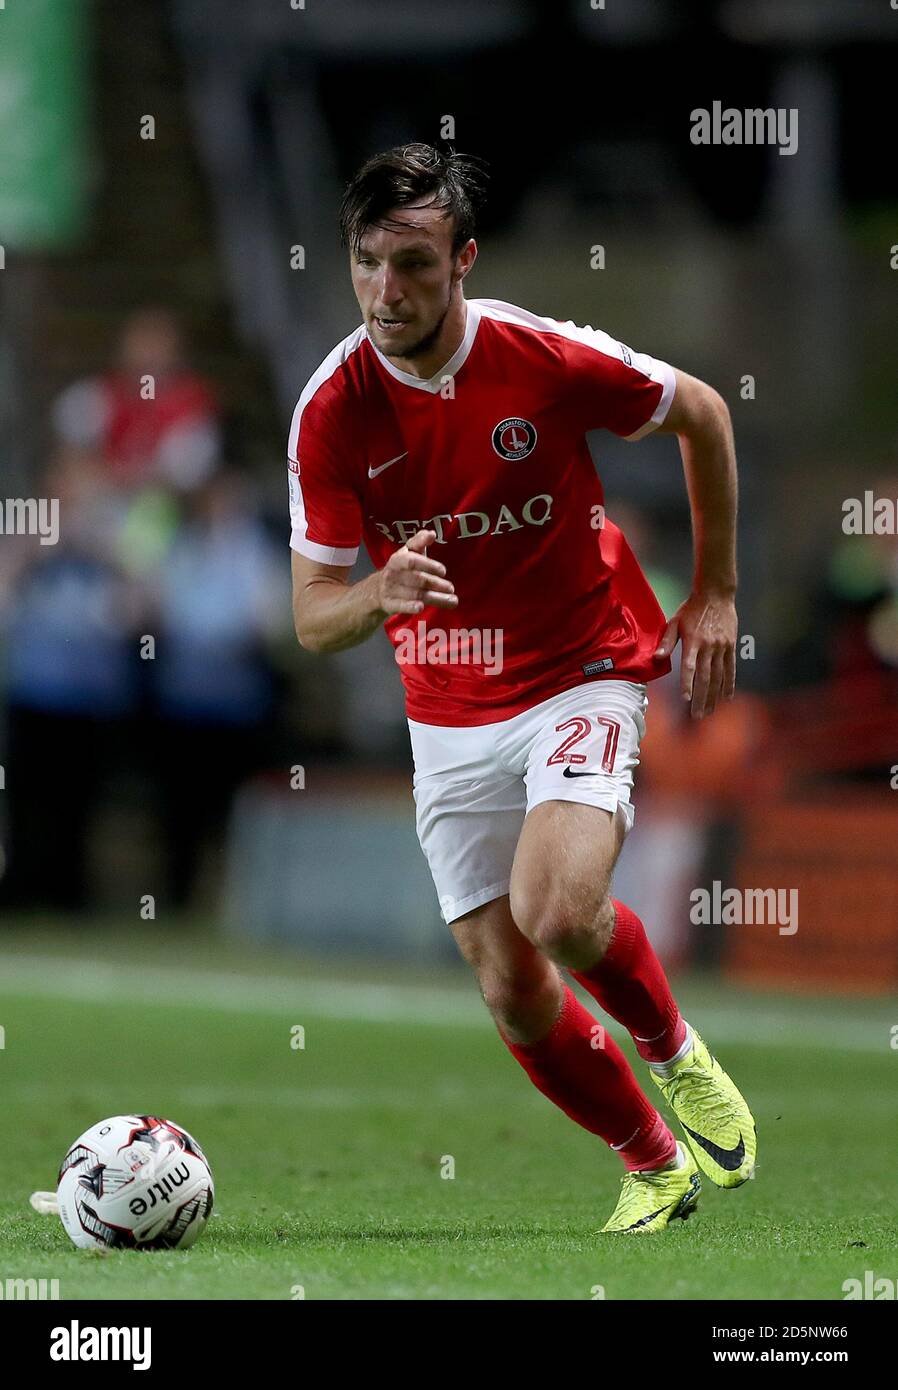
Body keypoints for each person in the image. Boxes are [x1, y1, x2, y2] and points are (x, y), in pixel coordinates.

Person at [287, 143, 755, 1234]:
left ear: (463, 261)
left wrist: (719, 592)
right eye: (365, 264)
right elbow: (313, 613)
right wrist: (376, 594)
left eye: (410, 265)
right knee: (506, 981)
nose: (383, 292)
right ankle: (651, 1161)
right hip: (445, 705)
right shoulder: (331, 409)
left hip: (581, 668)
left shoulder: (542, 355)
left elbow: (703, 416)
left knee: (555, 907)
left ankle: (675, 1053)